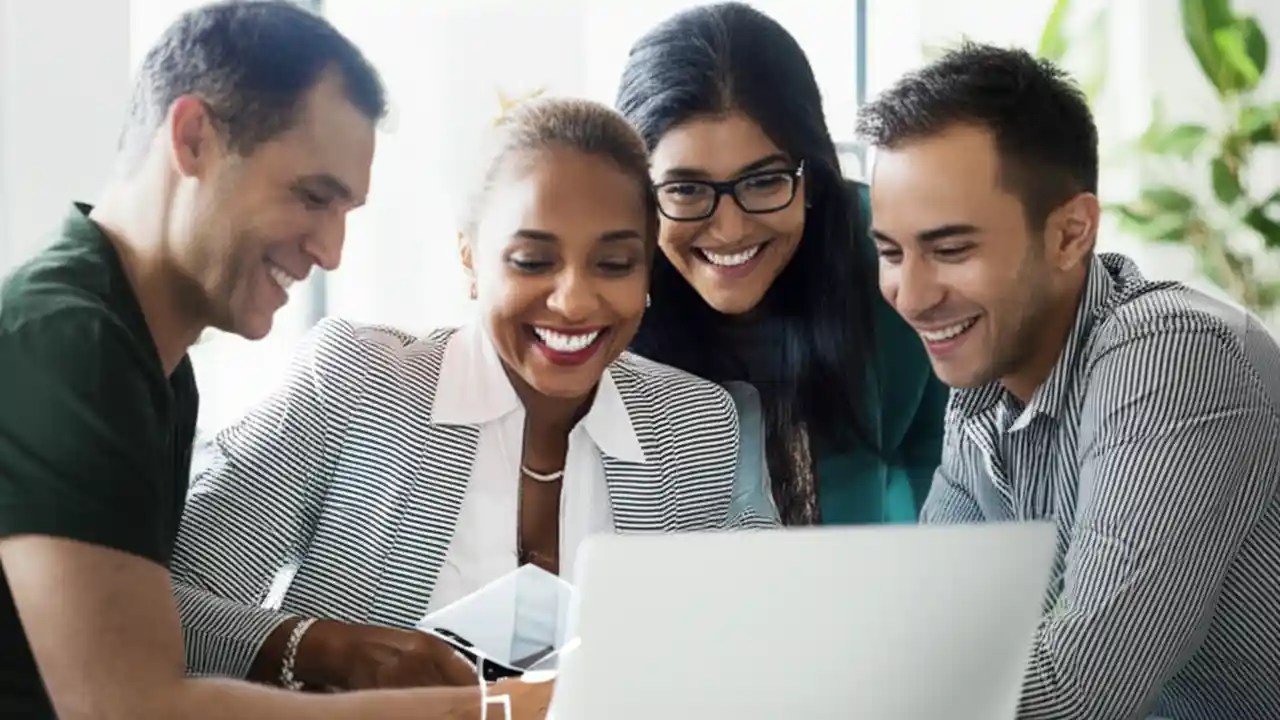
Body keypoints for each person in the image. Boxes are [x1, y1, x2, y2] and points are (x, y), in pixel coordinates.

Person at [0, 2, 548, 718]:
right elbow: (135, 709)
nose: (330, 251)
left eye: (345, 211)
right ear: (194, 138)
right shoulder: (73, 344)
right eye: (312, 197)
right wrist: (513, 708)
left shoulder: (154, 364)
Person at [169, 96, 778, 688]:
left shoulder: (695, 425)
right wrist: (326, 650)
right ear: (470, 259)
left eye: (614, 264)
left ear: (648, 269)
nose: (573, 301)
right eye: (532, 261)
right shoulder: (357, 383)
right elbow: (158, 605)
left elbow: (765, 640)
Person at [858, 42, 1280, 719]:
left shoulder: (1171, 358)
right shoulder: (980, 396)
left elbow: (1075, 694)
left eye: (951, 249)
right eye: (889, 252)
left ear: (1070, 233)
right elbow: (930, 633)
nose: (909, 295)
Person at [615, 3, 947, 526]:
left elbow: (949, 471)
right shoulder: (605, 280)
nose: (729, 229)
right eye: (685, 189)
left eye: (764, 180)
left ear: (810, 175)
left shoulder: (887, 253)